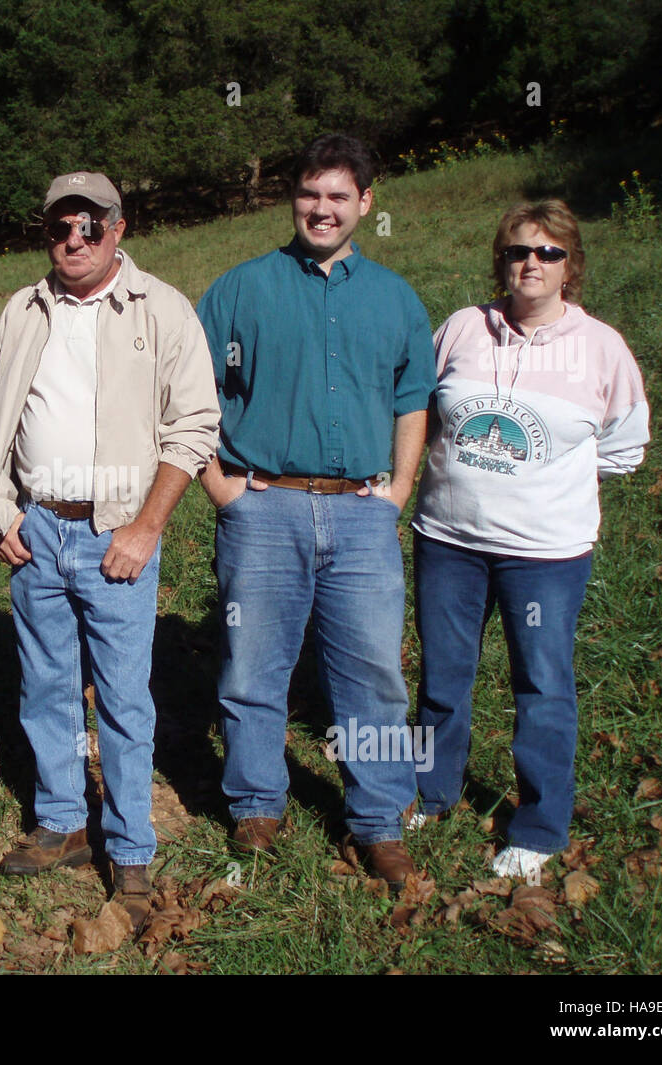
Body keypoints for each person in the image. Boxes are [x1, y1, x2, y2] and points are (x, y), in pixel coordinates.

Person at [0, 172, 220, 930]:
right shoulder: (23, 309)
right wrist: (1, 509)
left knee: (122, 695)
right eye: (59, 228)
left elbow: (195, 425)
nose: (73, 240)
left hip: (118, 529)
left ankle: (131, 849)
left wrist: (146, 527)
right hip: (38, 528)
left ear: (119, 227)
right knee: (44, 684)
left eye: (90, 225)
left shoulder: (162, 309)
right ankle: (62, 822)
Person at [196, 133, 437, 889]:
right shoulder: (239, 289)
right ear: (291, 199)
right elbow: (188, 396)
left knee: (374, 676)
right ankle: (257, 802)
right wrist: (219, 487)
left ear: (366, 203)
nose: (322, 209)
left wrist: (398, 490)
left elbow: (411, 399)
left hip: (364, 512)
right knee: (252, 667)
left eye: (339, 196)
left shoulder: (395, 298)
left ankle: (377, 820)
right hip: (262, 505)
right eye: (309, 194)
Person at [410, 199, 649, 881]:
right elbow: (423, 411)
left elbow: (624, 446)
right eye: (519, 250)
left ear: (570, 267)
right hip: (448, 538)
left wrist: (542, 483)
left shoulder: (601, 347)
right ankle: (432, 792)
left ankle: (539, 826)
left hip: (545, 554)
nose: (531, 264)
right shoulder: (463, 327)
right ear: (502, 259)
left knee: (542, 684)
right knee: (443, 677)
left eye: (548, 253)